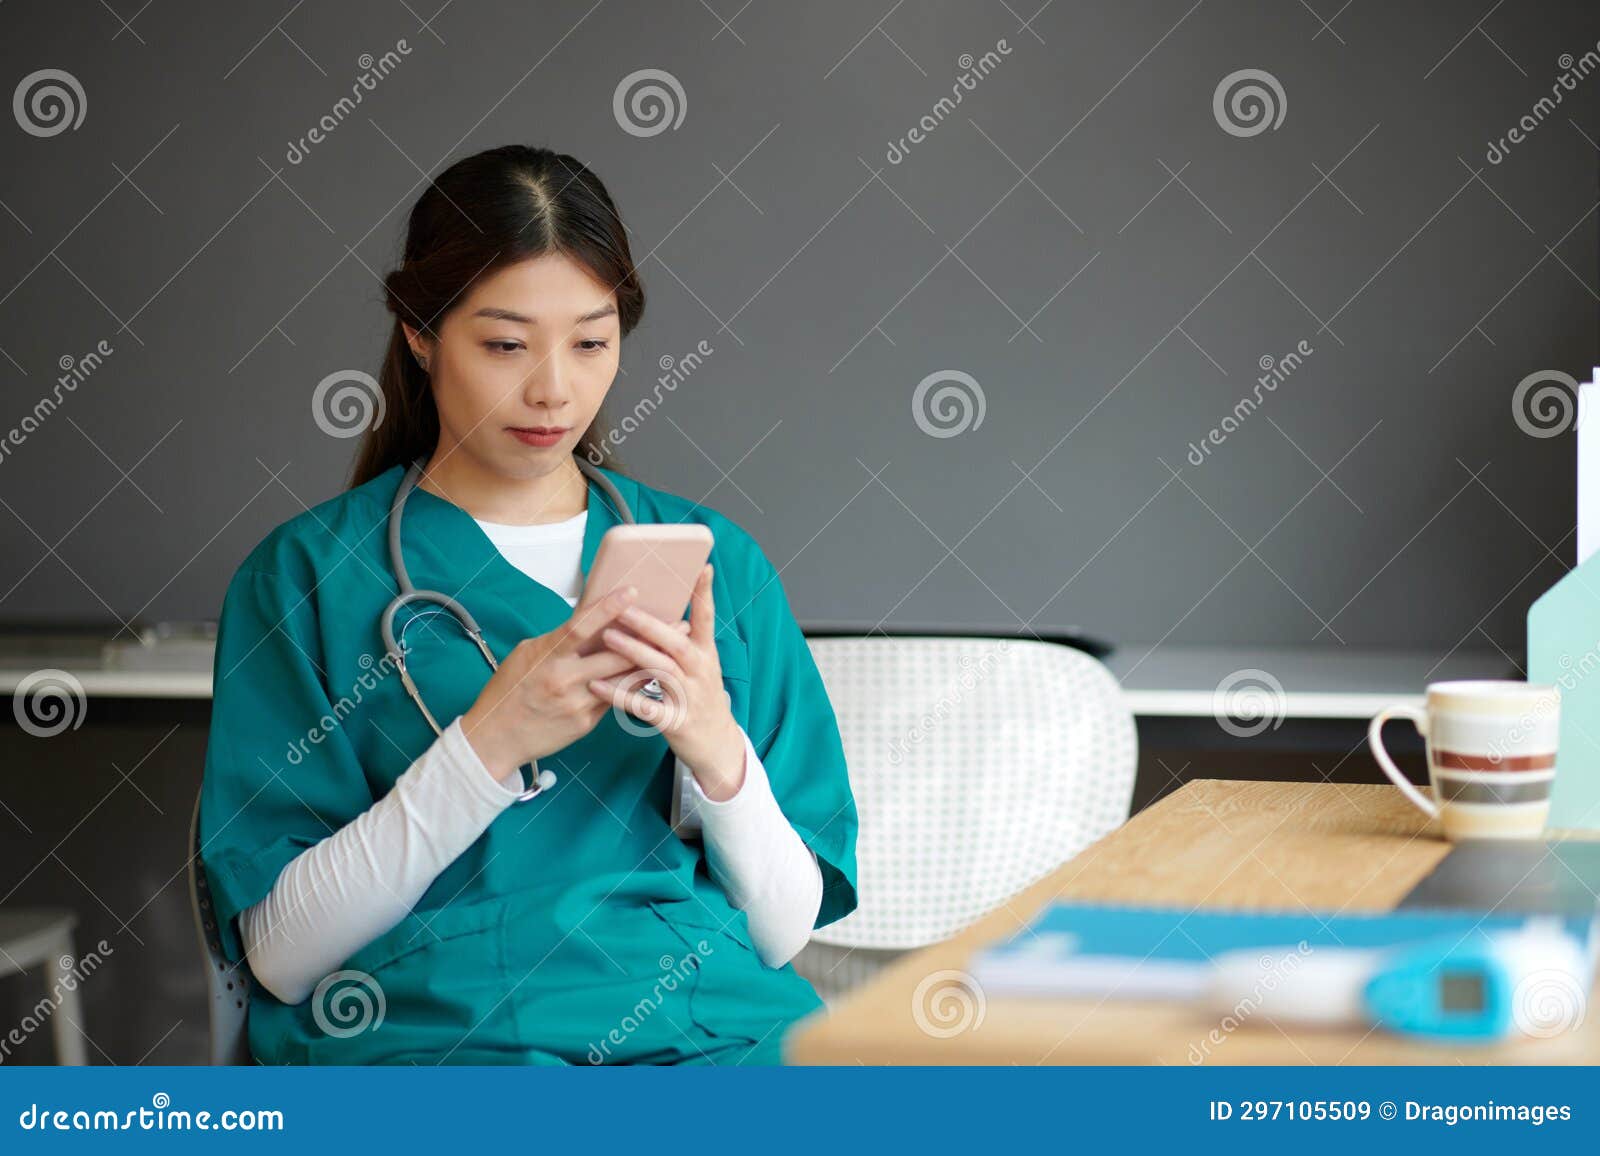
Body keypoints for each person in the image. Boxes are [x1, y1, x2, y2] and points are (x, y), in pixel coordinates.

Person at [197, 144, 858, 1065]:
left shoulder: (720, 567)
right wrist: (487, 744)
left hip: (707, 1037)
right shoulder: (307, 576)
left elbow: (786, 934)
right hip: (433, 1044)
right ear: (421, 335)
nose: (554, 388)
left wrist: (715, 747)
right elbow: (278, 957)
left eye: (591, 342)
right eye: (505, 345)